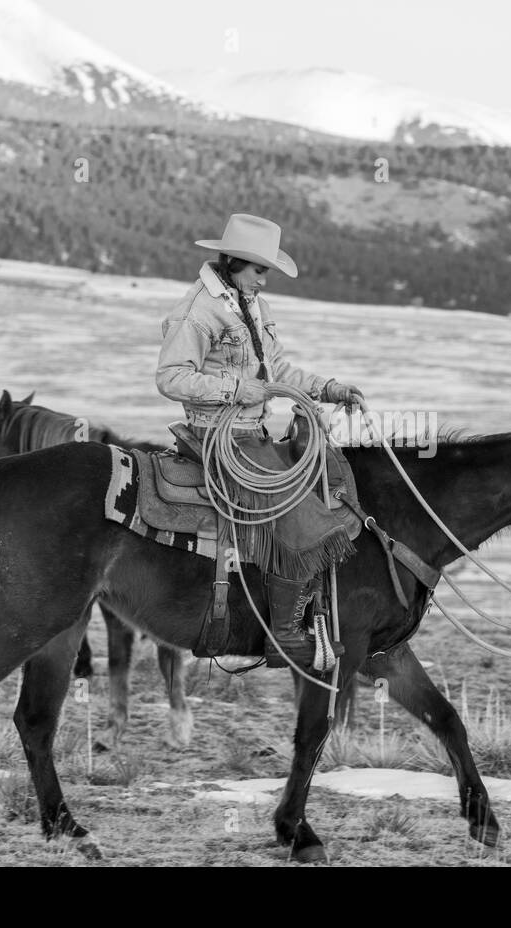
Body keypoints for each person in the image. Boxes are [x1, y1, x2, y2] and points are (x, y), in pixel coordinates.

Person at [155, 213, 365, 667]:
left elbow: (276, 373)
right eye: (258, 270)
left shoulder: (252, 307)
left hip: (252, 434)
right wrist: (233, 390)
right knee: (297, 513)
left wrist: (328, 388)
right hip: (216, 436)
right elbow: (171, 377)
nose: (264, 280)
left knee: (323, 479)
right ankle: (284, 634)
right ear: (233, 262)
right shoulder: (198, 311)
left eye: (266, 271)